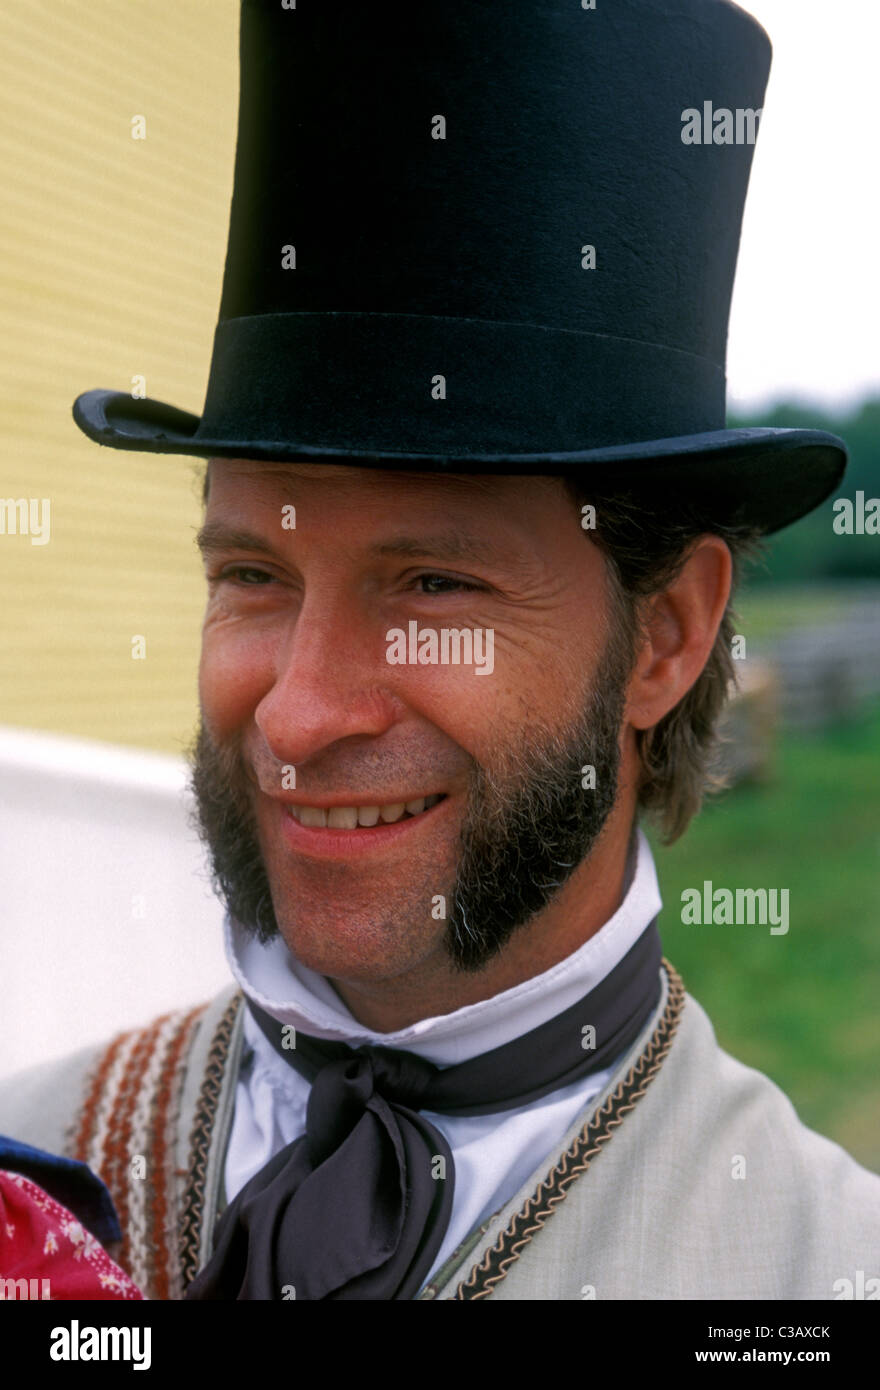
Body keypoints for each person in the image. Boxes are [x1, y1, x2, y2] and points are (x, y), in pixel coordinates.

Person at [2, 0, 878, 1300]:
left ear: (670, 635)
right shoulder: (40, 1156)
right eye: (252, 573)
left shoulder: (821, 1271)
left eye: (432, 581)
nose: (299, 713)